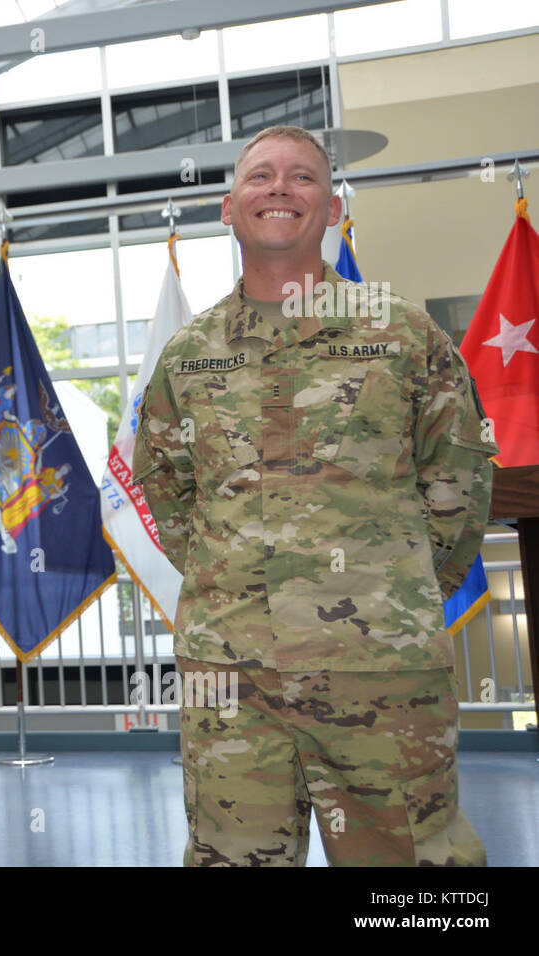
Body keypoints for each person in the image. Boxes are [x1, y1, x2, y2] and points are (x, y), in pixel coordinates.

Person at [133, 125, 495, 866]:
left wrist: (393, 592)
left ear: (332, 208)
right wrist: (231, 576)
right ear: (227, 207)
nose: (279, 189)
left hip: (381, 668)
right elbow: (167, 491)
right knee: (230, 857)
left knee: (413, 874)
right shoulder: (188, 354)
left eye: (303, 177)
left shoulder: (402, 334)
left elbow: (458, 481)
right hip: (225, 673)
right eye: (260, 176)